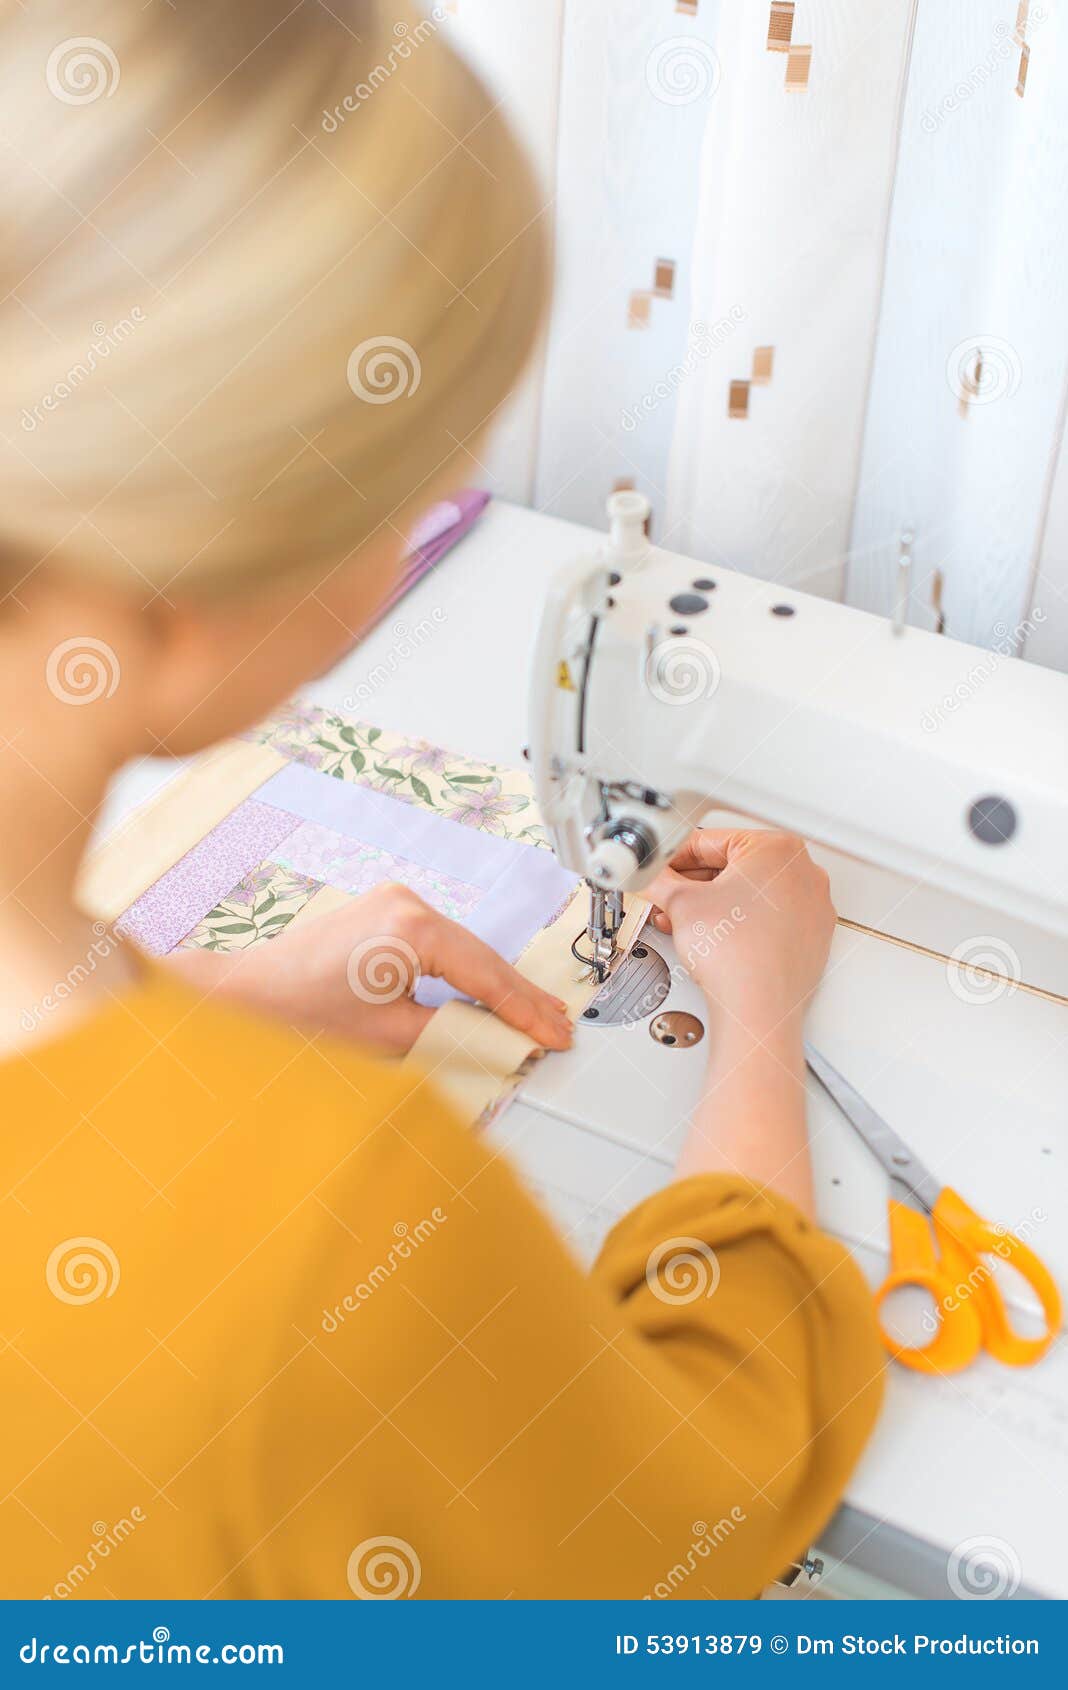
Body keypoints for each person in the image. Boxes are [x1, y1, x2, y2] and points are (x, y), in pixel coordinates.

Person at [0, 0, 882, 1600]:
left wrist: (183, 1013)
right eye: (402, 487)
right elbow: (681, 1523)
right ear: (187, 578)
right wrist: (760, 1024)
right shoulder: (327, 1220)